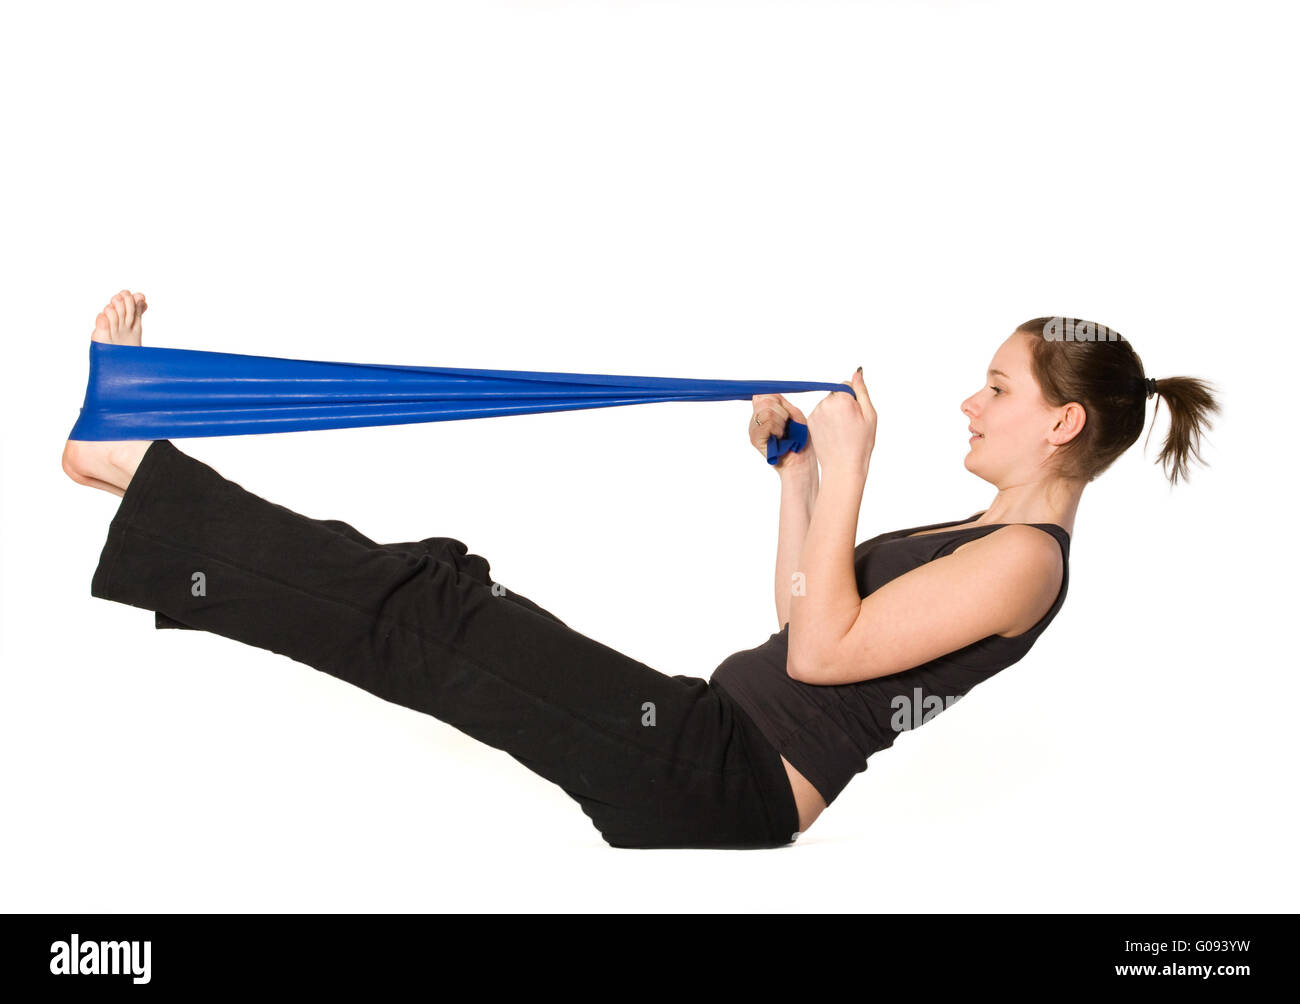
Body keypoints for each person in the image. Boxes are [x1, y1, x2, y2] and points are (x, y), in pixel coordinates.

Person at [63, 291, 1220, 849]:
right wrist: (798, 478)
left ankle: (122, 462)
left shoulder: (1023, 561)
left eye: (999, 388)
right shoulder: (981, 533)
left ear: (1062, 426)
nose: (970, 401)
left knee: (432, 613)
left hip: (725, 771)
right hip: (713, 738)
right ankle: (139, 490)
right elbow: (808, 619)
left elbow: (820, 652)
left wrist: (851, 471)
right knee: (436, 588)